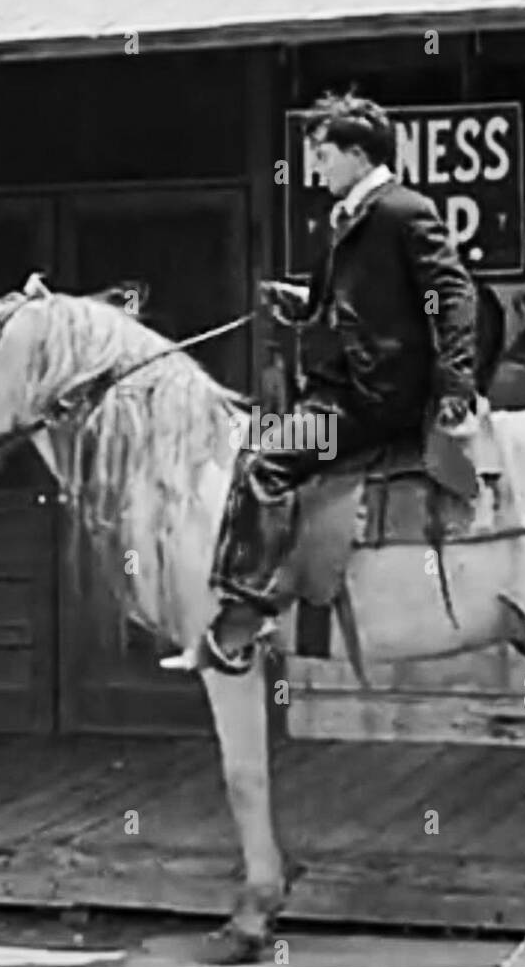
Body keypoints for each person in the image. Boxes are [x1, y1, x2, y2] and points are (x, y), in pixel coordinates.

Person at [165, 92, 480, 675]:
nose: (318, 168)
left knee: (267, 464)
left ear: (358, 155)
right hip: (343, 388)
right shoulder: (352, 216)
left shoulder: (403, 211)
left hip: (376, 398)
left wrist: (455, 379)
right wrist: (303, 302)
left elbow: (455, 294)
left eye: (325, 155)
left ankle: (245, 615)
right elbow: (351, 302)